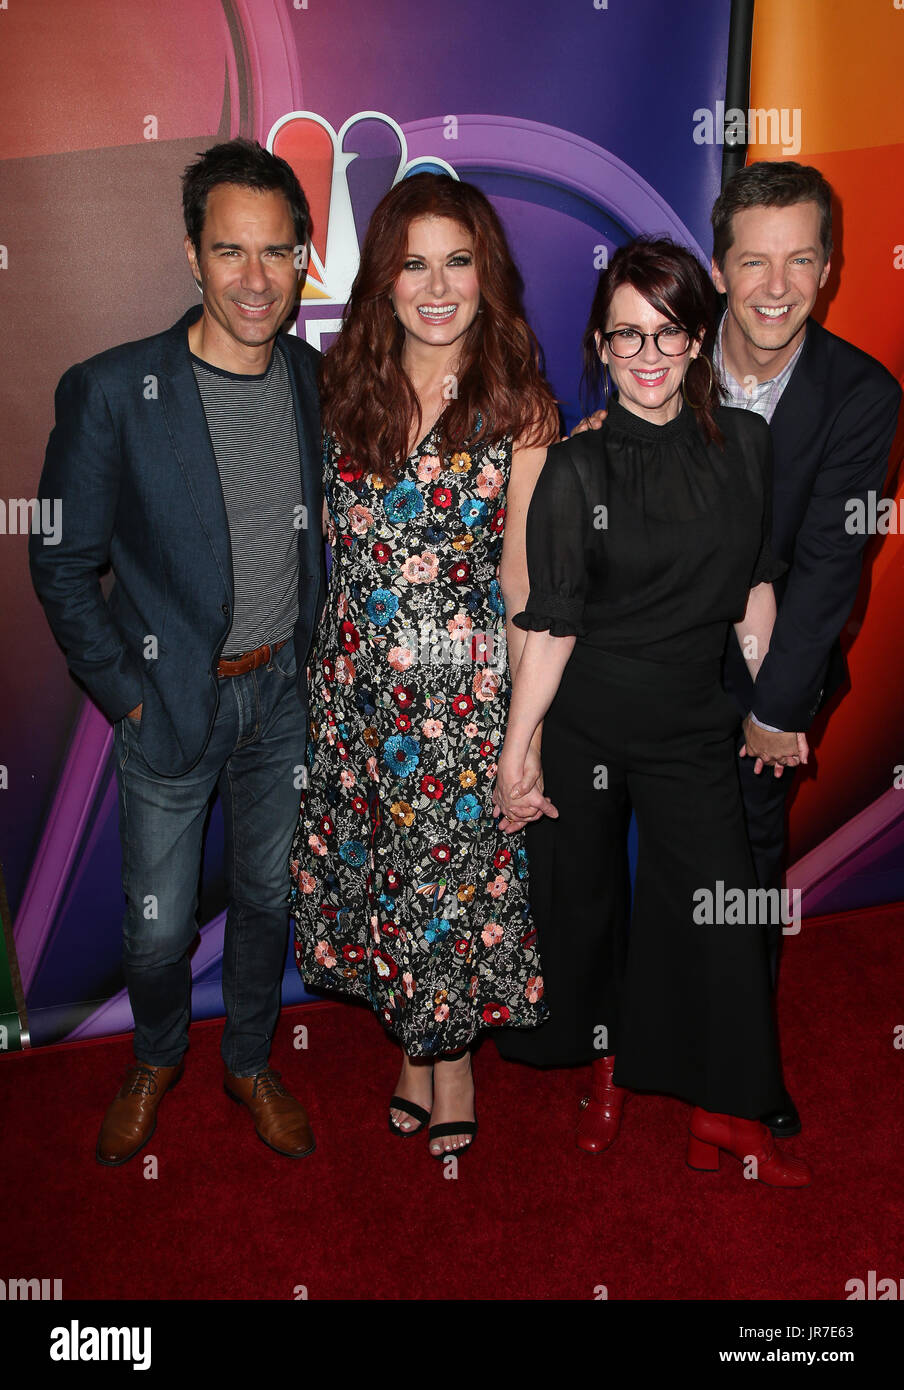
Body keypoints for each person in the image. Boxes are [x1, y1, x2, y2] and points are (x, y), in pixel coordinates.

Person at [29, 139, 326, 1164]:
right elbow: (61, 563)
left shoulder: (312, 379)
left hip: (283, 695)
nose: (255, 278)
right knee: (155, 932)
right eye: (230, 250)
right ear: (192, 255)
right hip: (168, 705)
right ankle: (155, 1055)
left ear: (303, 259)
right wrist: (130, 698)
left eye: (276, 252)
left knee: (267, 897)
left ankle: (249, 1059)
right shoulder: (113, 392)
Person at [493, 236, 811, 1187]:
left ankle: (724, 1109)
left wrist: (776, 701)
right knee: (584, 908)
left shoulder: (747, 449)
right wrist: (522, 751)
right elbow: (549, 626)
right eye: (626, 334)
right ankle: (607, 1069)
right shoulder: (575, 470)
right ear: (598, 342)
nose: (647, 354)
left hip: (690, 725)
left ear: (699, 339)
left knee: (718, 916)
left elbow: (755, 593)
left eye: (669, 333)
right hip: (587, 717)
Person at [288, 172, 558, 1157]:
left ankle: (450, 1065)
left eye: (458, 262)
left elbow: (528, 583)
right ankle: (412, 1044)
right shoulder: (335, 394)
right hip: (355, 697)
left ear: (486, 277)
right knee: (387, 886)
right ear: (383, 281)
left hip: (462, 699)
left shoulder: (520, 410)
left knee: (445, 889)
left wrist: (521, 740)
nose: (436, 286)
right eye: (414, 264)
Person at [711, 162, 901, 1136]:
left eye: (798, 260)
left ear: (826, 270)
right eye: (754, 260)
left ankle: (743, 1055)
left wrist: (776, 711)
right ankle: (620, 1041)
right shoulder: (651, 347)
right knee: (637, 859)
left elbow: (831, 568)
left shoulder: (860, 392)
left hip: (768, 677)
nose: (776, 286)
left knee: (745, 866)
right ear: (718, 267)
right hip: (643, 666)